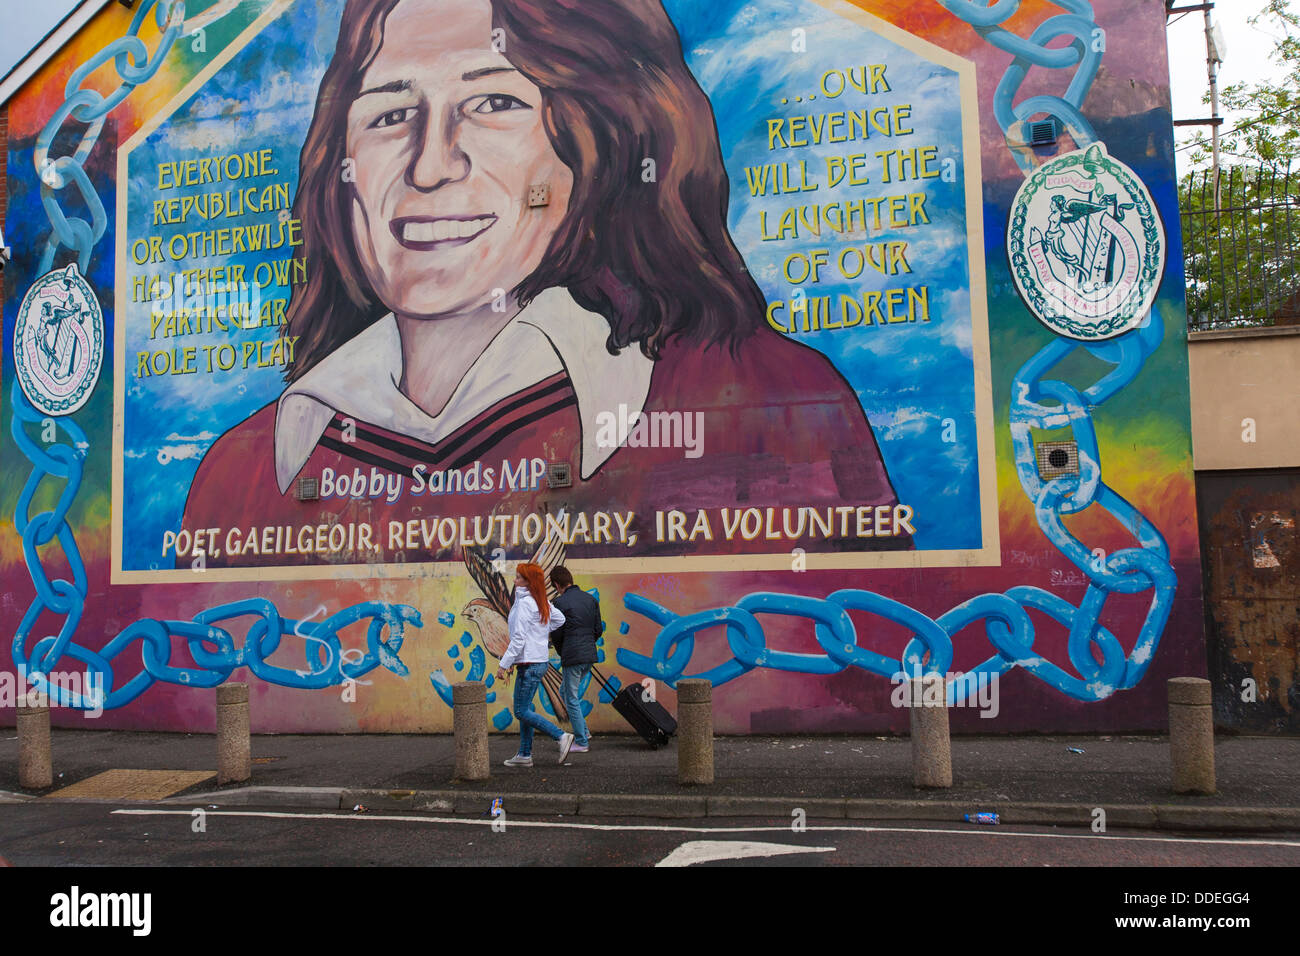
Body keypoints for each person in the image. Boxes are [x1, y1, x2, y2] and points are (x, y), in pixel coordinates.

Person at [180, 0, 911, 567]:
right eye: (391, 114)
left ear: (603, 139)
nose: (430, 166)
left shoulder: (768, 403)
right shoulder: (246, 473)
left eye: (494, 104)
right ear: (339, 168)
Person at [497, 562, 573, 766]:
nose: (514, 581)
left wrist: (504, 664)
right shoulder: (539, 601)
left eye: (519, 578)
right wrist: (540, 635)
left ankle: (561, 736)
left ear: (528, 582)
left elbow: (519, 639)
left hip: (529, 663)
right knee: (526, 707)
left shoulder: (524, 604)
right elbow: (560, 620)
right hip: (537, 661)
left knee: (521, 711)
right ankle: (524, 754)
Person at [549, 565, 601, 755]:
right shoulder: (590, 599)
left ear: (556, 584)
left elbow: (556, 634)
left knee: (570, 697)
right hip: (588, 656)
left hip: (573, 656)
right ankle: (584, 732)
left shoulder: (559, 603)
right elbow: (598, 630)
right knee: (566, 692)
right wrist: (586, 647)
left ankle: (581, 741)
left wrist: (566, 652)